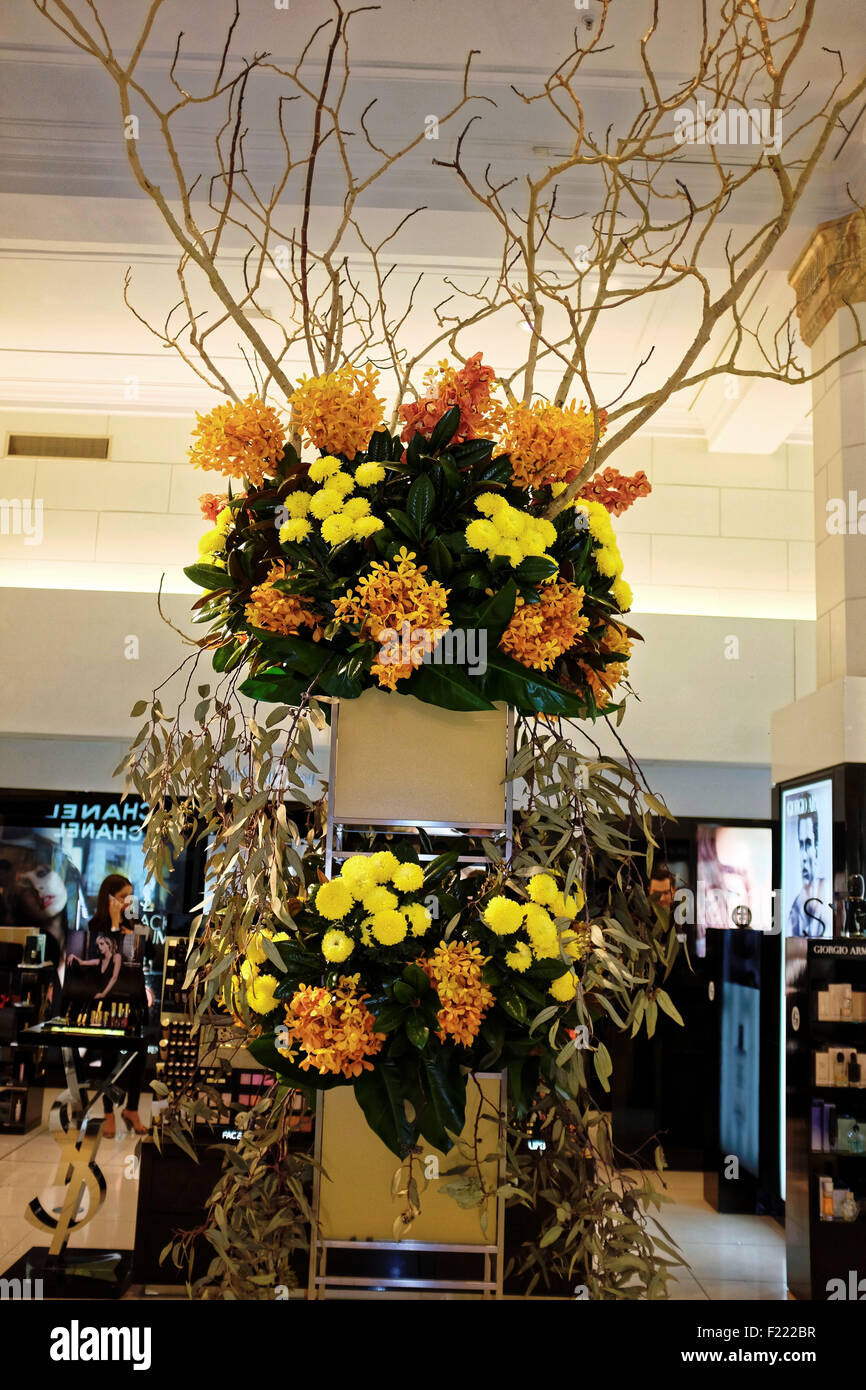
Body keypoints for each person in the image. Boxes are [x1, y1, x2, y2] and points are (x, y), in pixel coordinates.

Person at [78, 873, 148, 1137]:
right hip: (107, 1002)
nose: (128, 902)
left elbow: (144, 954)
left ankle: (131, 1108)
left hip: (134, 998)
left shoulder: (137, 921)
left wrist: (130, 929)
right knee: (108, 1058)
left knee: (138, 1055)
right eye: (122, 897)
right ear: (108, 898)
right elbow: (100, 956)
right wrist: (116, 926)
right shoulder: (94, 925)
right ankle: (108, 1114)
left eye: (131, 896)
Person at [788, 810, 833, 938]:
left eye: (808, 844)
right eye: (801, 845)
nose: (804, 857)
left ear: (817, 848)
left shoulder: (830, 895)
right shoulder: (797, 906)